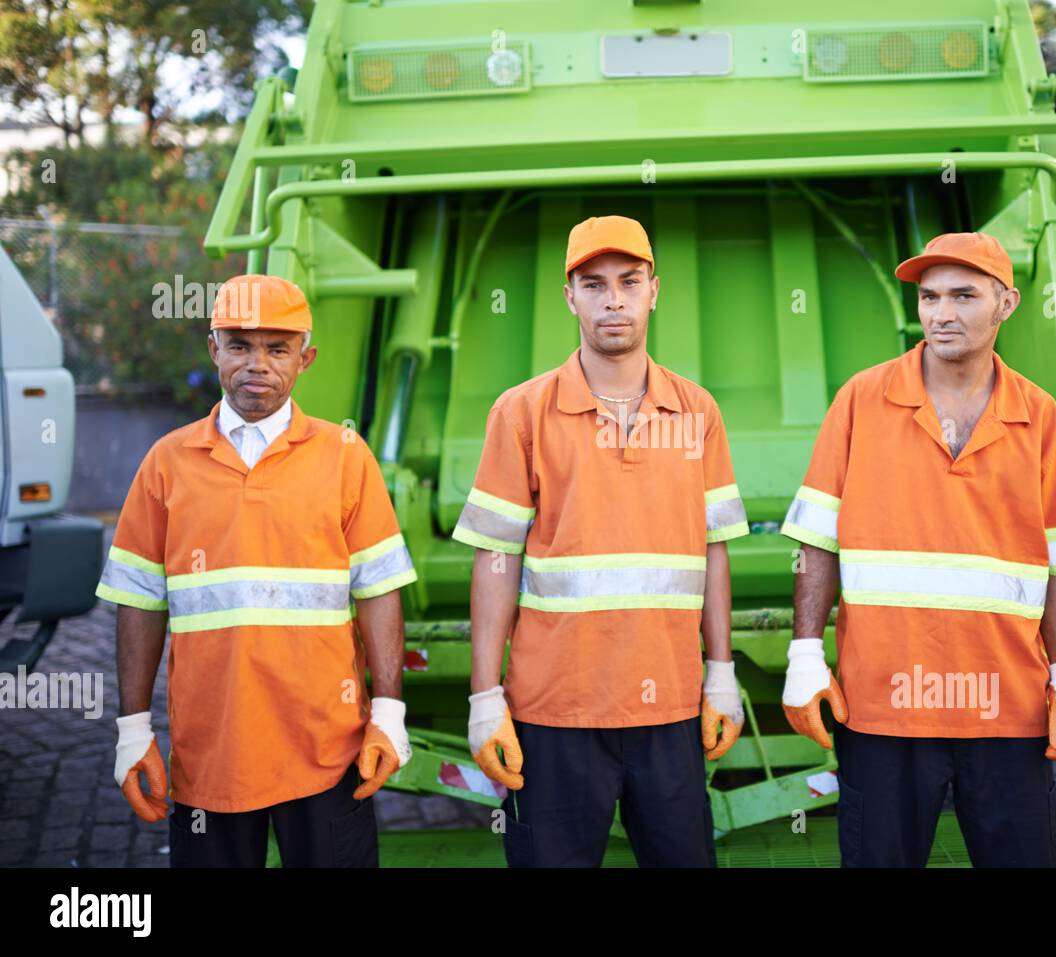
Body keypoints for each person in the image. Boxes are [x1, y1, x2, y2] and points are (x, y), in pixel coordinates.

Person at [779, 232, 1056, 867]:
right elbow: (816, 541)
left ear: (1006, 304)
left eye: (963, 295)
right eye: (929, 297)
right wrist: (805, 656)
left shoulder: (1039, 417)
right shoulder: (860, 401)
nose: (941, 313)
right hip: (883, 707)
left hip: (1007, 708)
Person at [452, 215, 748, 867]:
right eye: (594, 283)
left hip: (669, 706)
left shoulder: (697, 412)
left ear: (654, 290)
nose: (613, 298)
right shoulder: (521, 413)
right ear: (569, 296)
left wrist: (721, 674)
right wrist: (484, 697)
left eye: (629, 281)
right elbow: (494, 562)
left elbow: (715, 546)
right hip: (553, 710)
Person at [96, 274, 418, 867]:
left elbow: (379, 590)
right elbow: (139, 601)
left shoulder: (346, 458)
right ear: (213, 349)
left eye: (277, 348)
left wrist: (390, 713)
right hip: (211, 758)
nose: (257, 364)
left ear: (306, 359)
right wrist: (134, 729)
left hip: (328, 754)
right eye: (240, 345)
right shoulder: (167, 464)